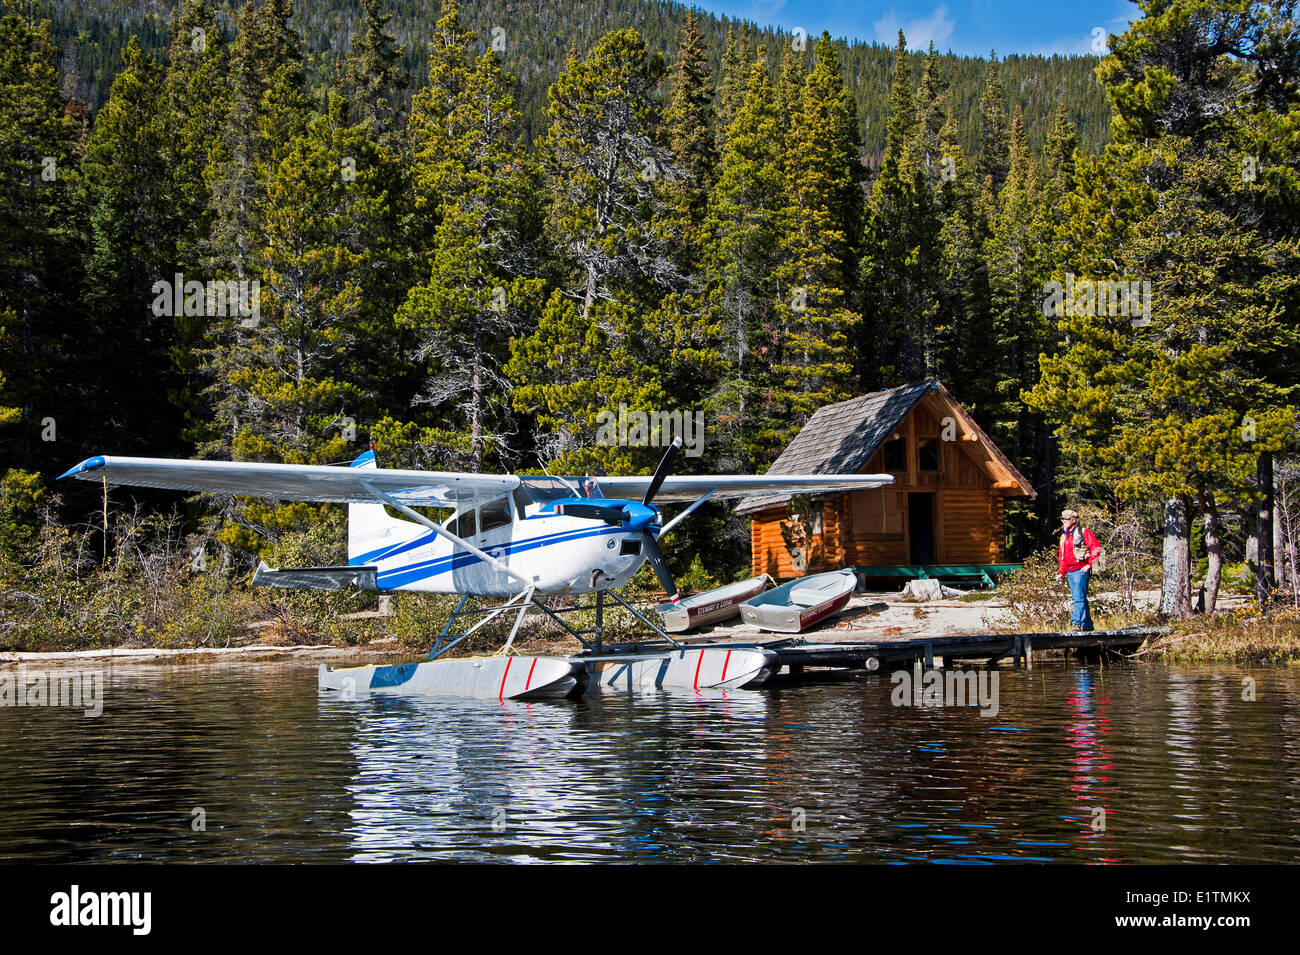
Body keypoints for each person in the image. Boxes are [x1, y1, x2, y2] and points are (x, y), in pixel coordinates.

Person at [1055, 508, 1101, 631]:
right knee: (1080, 597)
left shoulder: (1084, 532)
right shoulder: (1064, 535)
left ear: (1073, 520)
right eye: (1062, 519)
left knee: (1077, 598)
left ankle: (1076, 623)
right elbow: (1062, 556)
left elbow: (1096, 548)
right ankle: (1087, 625)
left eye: (1066, 519)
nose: (1063, 521)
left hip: (1080, 570)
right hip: (1070, 571)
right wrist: (1061, 572)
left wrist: (1089, 565)